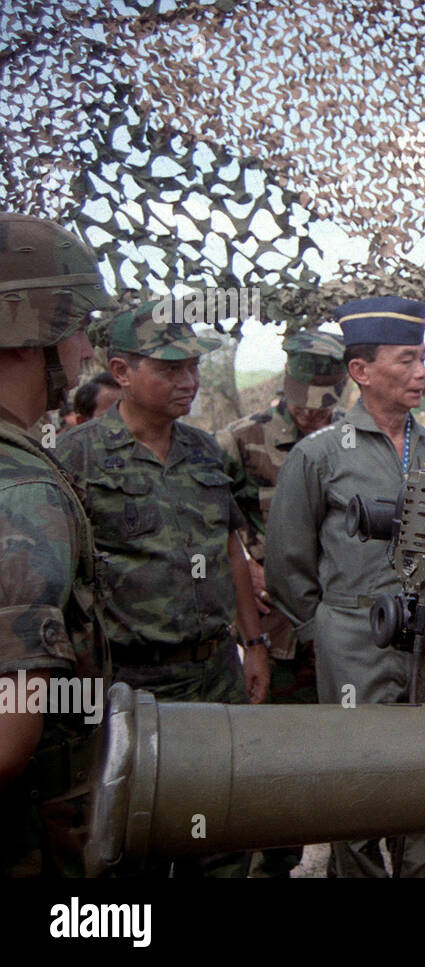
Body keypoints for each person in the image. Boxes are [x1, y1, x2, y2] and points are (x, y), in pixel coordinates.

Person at [58, 299, 270, 875]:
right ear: (123, 372)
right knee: (133, 836)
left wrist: (253, 646)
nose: (189, 381)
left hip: (213, 677)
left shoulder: (205, 451)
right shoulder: (76, 458)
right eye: (170, 369)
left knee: (224, 829)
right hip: (129, 684)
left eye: (193, 367)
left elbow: (231, 550)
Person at [264, 296, 425, 877]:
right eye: (406, 360)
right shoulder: (319, 454)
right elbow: (287, 562)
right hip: (353, 640)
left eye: (423, 358)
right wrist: (325, 629)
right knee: (359, 783)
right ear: (361, 371)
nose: (422, 372)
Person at [0, 215, 112, 877]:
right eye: (75, 325)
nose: (86, 349)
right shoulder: (22, 488)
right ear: (28, 329)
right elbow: (10, 736)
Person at [217, 328, 346, 876]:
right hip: (273, 631)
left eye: (327, 402)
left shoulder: (352, 443)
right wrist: (248, 568)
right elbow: (217, 531)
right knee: (272, 761)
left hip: (337, 628)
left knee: (343, 760)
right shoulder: (242, 441)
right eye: (305, 403)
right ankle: (273, 864)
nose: (315, 415)